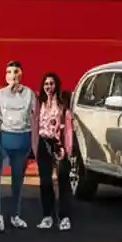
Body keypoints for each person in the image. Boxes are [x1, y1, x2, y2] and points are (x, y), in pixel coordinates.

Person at [0, 60, 37, 230]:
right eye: (9, 72)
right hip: (4, 139)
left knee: (18, 181)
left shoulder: (29, 94)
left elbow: (35, 120)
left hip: (22, 139)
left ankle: (15, 215)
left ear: (21, 74)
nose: (13, 75)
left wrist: (34, 146)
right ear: (6, 75)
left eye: (16, 71)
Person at [35, 72, 74, 231]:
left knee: (63, 180)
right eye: (46, 84)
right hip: (43, 143)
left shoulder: (62, 103)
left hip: (59, 144)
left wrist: (67, 148)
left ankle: (64, 217)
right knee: (45, 182)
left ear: (56, 85)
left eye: (51, 84)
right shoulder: (40, 103)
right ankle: (47, 216)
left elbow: (69, 127)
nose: (48, 87)